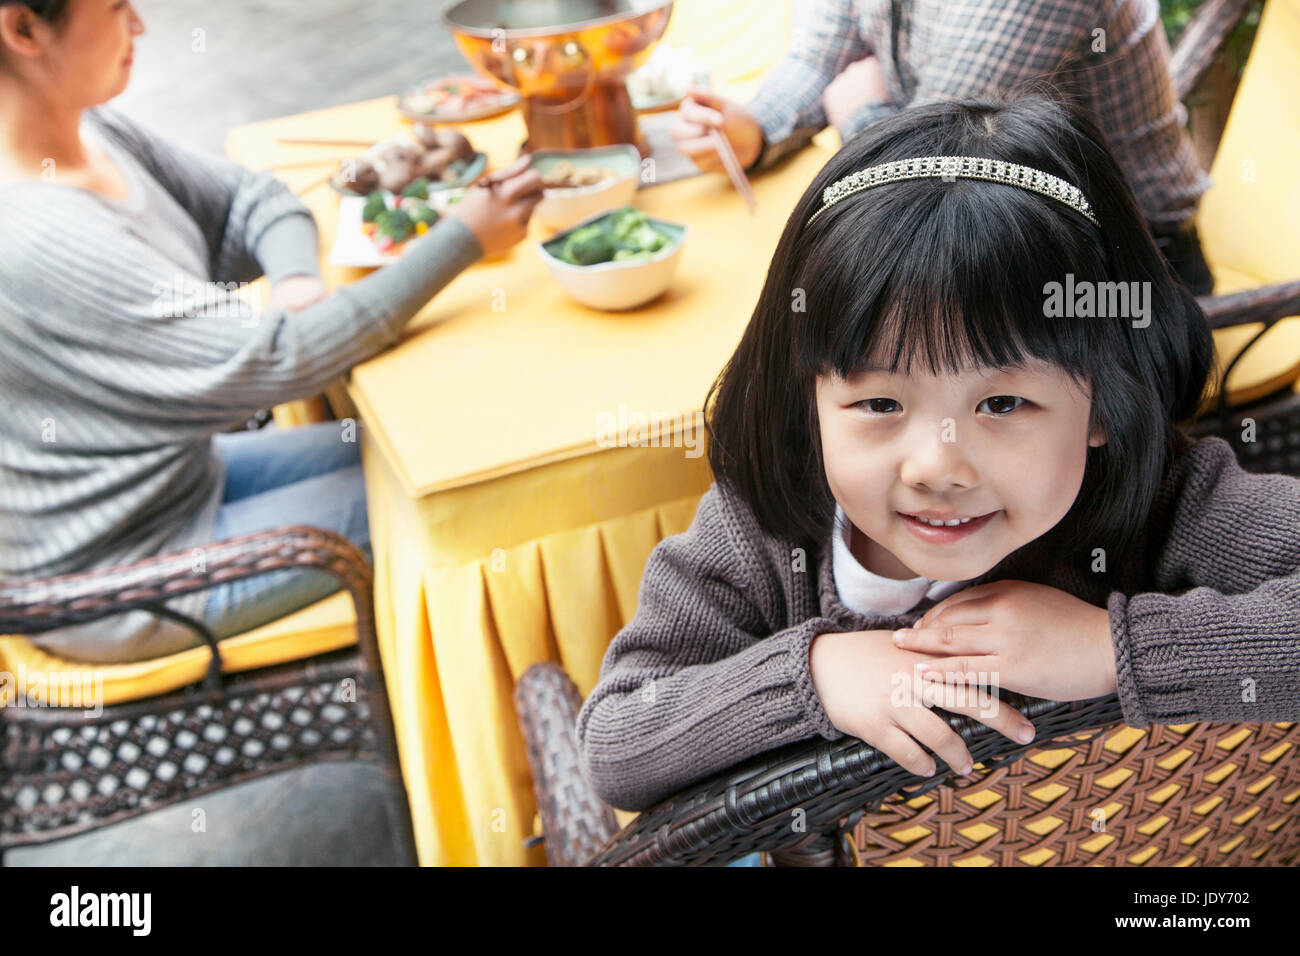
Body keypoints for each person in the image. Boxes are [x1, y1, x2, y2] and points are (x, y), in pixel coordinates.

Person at [576, 92, 1300, 841]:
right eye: (881, 404)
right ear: (809, 399)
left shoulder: (1168, 504)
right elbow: (619, 741)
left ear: (1105, 406)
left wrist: (1115, 650)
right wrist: (816, 675)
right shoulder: (760, 532)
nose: (936, 466)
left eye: (1006, 404)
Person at [0, 0, 544, 662]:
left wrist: (295, 286)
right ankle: (501, 746)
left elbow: (255, 201)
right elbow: (280, 360)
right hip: (118, 580)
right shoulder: (35, 237)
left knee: (448, 453)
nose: (139, 24)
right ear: (23, 29)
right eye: (117, 7)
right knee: (457, 505)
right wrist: (465, 238)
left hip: (185, 481)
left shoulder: (93, 131)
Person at [669, 0, 1216, 294]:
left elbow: (928, 172)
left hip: (1119, 274)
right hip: (989, 223)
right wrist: (757, 128)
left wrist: (860, 113)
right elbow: (820, 57)